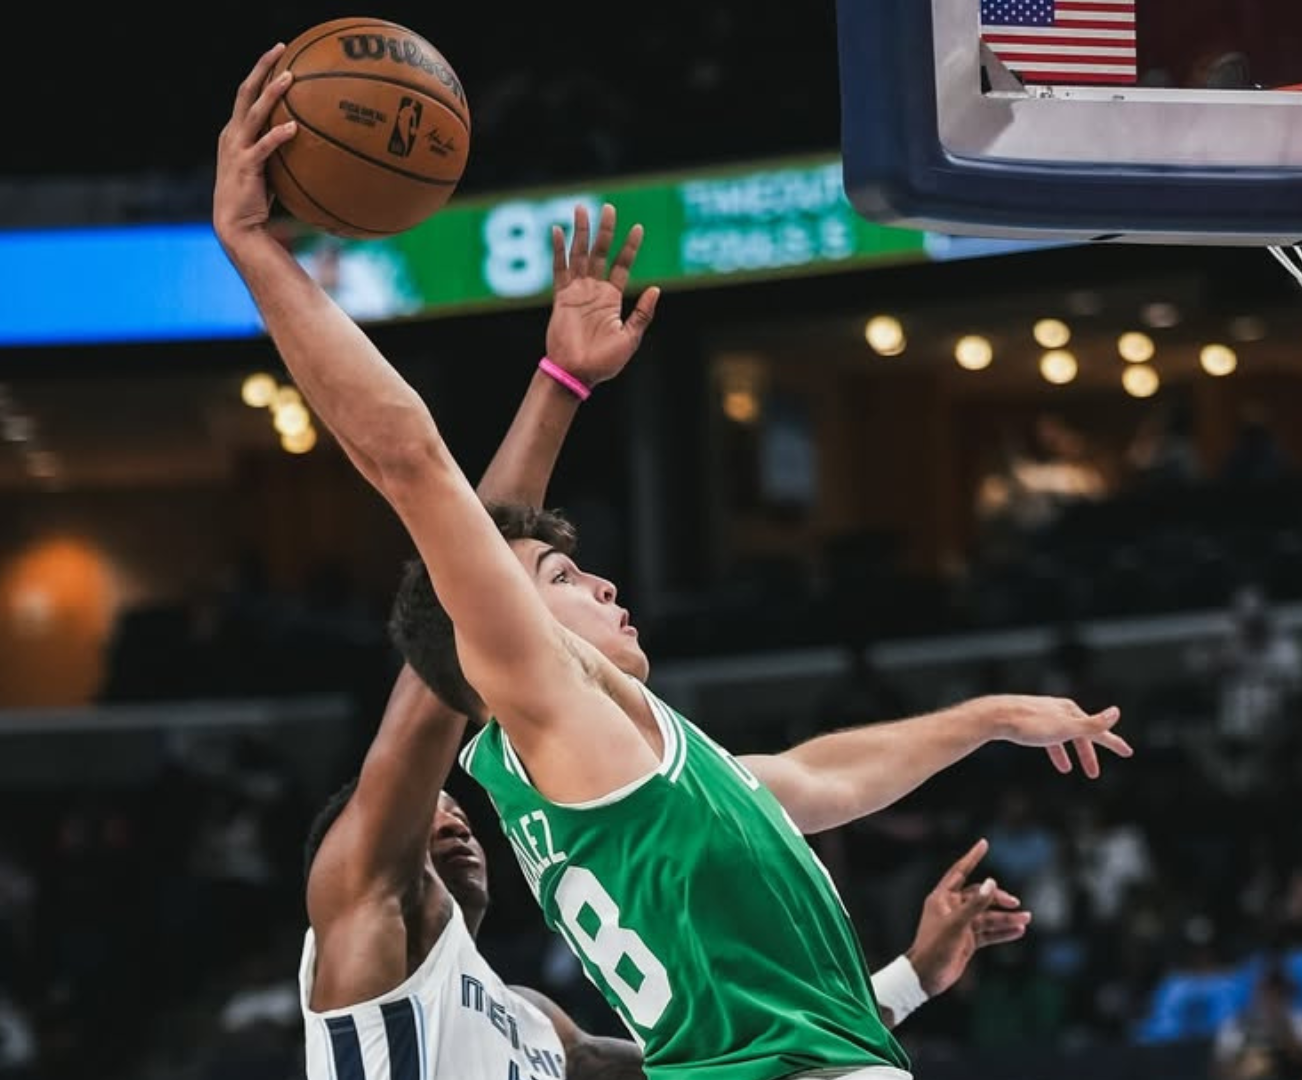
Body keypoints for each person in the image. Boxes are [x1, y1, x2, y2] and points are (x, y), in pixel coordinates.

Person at [214, 45, 1130, 1080]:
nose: (603, 581)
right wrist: (254, 248)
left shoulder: (587, 852)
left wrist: (990, 731)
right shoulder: (516, 744)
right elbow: (419, 472)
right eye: (562, 583)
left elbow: (807, 782)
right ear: (500, 631)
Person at [294, 201, 1031, 1080]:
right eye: (427, 813)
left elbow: (733, 1053)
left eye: (450, 807)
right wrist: (259, 250)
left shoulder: (535, 1015)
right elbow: (436, 513)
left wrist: (907, 980)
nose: (451, 821)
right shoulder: (366, 903)